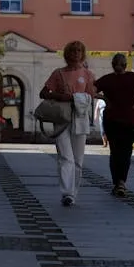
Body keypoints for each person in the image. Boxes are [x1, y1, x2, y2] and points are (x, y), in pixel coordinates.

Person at [40, 41, 96, 207]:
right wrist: (60, 96)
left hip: (80, 118)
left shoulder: (88, 74)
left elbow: (91, 95)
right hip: (62, 118)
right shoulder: (58, 73)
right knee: (65, 157)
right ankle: (66, 193)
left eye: (79, 50)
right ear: (67, 54)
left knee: (78, 159)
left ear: (83, 53)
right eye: (73, 50)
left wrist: (78, 98)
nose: (76, 53)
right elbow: (43, 93)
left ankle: (73, 192)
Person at [94, 53, 134, 197]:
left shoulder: (106, 79)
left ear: (112, 64)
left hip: (111, 120)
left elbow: (89, 91)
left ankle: (117, 183)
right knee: (126, 151)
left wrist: (104, 98)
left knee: (114, 151)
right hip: (131, 119)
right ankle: (122, 182)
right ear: (125, 65)